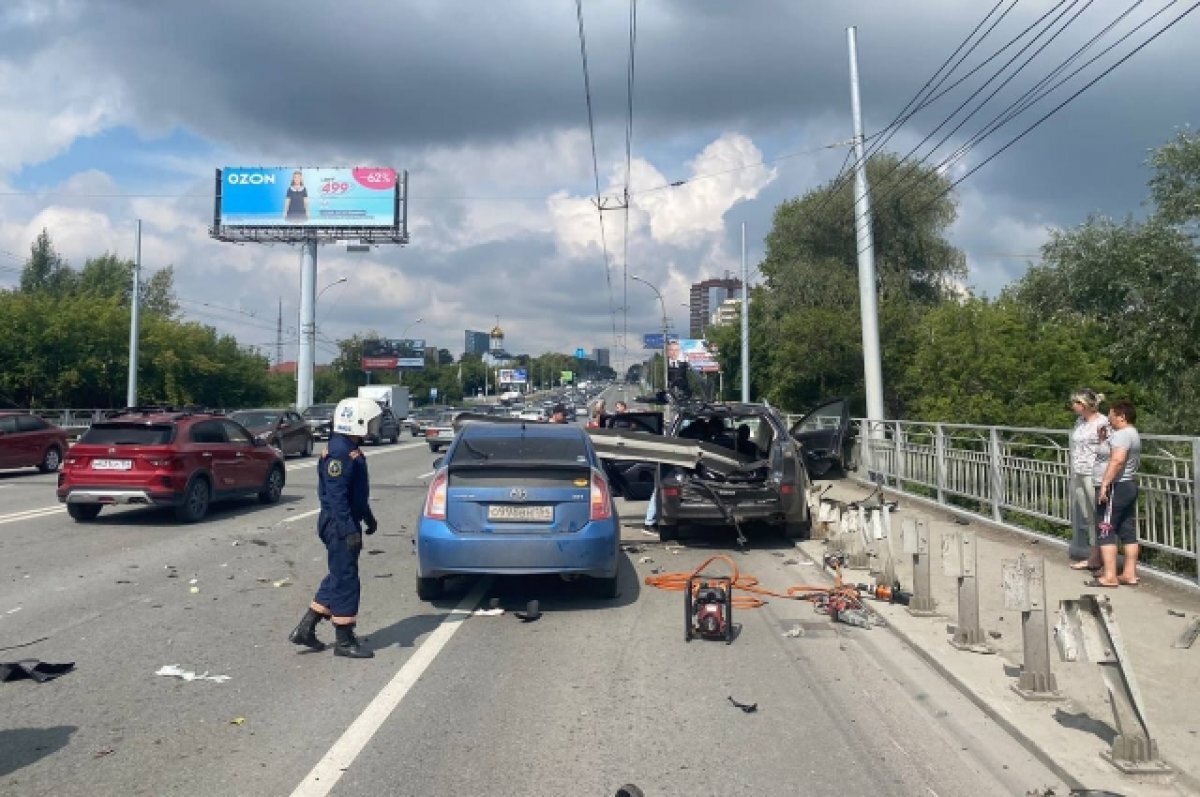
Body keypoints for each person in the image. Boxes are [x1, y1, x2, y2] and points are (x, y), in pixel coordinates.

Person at [289, 397, 381, 658]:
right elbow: (337, 496)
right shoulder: (340, 452)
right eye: (371, 421)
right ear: (358, 421)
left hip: (347, 519)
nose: (374, 427)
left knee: (340, 574)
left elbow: (356, 495)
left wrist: (368, 516)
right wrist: (349, 529)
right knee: (347, 579)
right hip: (339, 523)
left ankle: (306, 628)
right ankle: (344, 639)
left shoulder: (348, 446)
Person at [1091, 399, 1142, 587]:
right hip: (1129, 485)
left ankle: (1110, 576)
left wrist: (1105, 484)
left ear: (1122, 416)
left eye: (1111, 414)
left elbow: (1118, 460)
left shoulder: (1122, 435)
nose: (1109, 418)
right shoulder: (1133, 433)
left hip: (1117, 487)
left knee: (1105, 528)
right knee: (1127, 530)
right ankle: (1129, 573)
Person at [1067, 389, 1109, 570]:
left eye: (1075, 403)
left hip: (1094, 473)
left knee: (1101, 515)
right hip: (1079, 471)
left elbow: (1108, 448)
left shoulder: (1103, 422)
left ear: (1083, 405)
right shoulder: (1080, 422)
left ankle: (1106, 559)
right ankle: (1094, 557)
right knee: (1089, 516)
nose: (1072, 406)